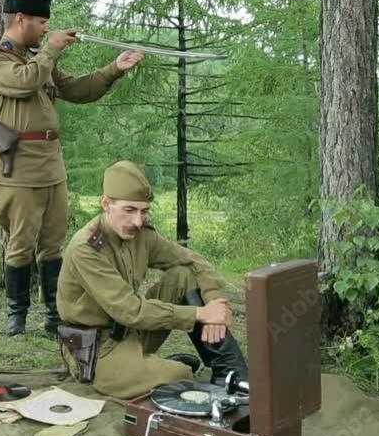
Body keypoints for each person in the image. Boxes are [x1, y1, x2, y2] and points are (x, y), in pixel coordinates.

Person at [0, 0, 144, 337]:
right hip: (18, 167)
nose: (45, 29)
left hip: (52, 165)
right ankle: (16, 315)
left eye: (46, 24)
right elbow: (25, 83)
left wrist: (115, 69)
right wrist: (51, 48)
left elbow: (79, 90)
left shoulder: (41, 61)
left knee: (52, 244)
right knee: (21, 242)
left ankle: (54, 316)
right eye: (41, 22)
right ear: (19, 19)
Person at [57, 161, 248, 399]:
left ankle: (230, 372)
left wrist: (216, 305)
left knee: (182, 275)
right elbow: (129, 310)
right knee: (180, 375)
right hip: (98, 350)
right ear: (106, 204)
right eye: (129, 210)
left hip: (131, 332)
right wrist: (200, 314)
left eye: (144, 211)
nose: (138, 221)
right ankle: (156, 367)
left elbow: (194, 262)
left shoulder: (141, 235)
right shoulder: (87, 248)